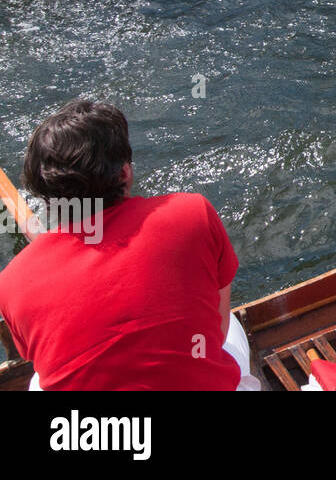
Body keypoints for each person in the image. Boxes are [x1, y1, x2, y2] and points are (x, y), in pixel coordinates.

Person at [0, 100, 259, 390]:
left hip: (96, 436)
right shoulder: (192, 212)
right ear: (124, 173)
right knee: (232, 326)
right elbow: (218, 331)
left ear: (46, 195)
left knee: (38, 379)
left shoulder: (10, 283)